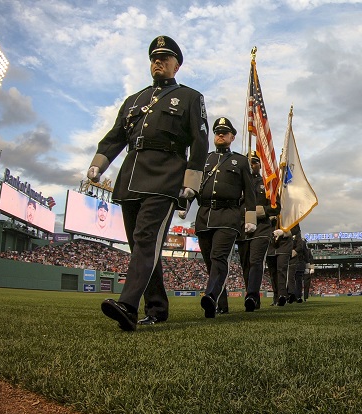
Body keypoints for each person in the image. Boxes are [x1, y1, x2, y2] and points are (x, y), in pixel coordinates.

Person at [88, 35, 208, 331]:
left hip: (166, 177)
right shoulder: (135, 100)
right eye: (154, 57)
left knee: (145, 240)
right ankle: (157, 306)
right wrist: (98, 163)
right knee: (141, 245)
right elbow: (116, 136)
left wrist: (190, 183)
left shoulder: (191, 97)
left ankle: (127, 305)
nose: (158, 61)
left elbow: (200, 142)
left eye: (165, 57)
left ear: (176, 65)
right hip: (131, 177)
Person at [190, 116, 256, 318]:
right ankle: (220, 303)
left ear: (232, 137)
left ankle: (210, 296)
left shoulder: (241, 161)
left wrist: (250, 218)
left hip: (229, 215)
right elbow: (193, 186)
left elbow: (250, 192)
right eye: (217, 132)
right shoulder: (205, 159)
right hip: (204, 215)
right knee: (210, 261)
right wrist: (184, 204)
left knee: (219, 258)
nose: (220, 134)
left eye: (224, 132)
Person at [236, 153, 280, 312]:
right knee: (245, 264)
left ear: (260, 165)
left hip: (261, 227)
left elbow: (276, 207)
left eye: (255, 162)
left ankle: (252, 296)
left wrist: (259, 212)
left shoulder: (267, 184)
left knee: (256, 261)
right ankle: (252, 299)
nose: (251, 164)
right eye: (248, 162)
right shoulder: (237, 183)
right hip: (242, 228)